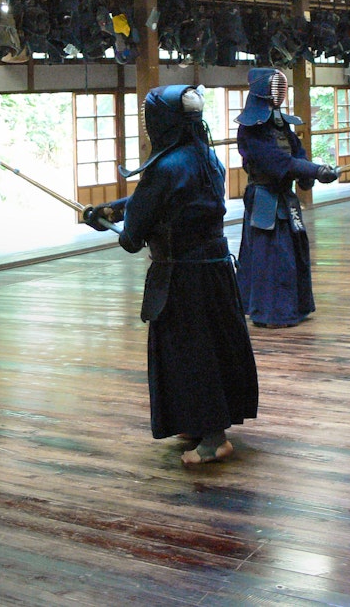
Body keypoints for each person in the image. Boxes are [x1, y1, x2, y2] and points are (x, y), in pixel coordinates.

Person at [84, 84, 258, 466]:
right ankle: (198, 423)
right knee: (214, 349)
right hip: (215, 271)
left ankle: (213, 439)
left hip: (182, 278)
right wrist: (111, 211)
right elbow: (156, 199)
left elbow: (133, 239)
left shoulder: (164, 168)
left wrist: (118, 225)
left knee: (193, 355)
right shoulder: (205, 157)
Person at [236, 68, 338, 328]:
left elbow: (296, 152)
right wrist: (313, 170)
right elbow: (277, 161)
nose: (279, 94)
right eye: (274, 88)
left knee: (294, 252)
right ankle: (272, 312)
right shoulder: (251, 130)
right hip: (265, 198)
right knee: (271, 256)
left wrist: (312, 173)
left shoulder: (281, 124)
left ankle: (294, 307)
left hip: (285, 196)